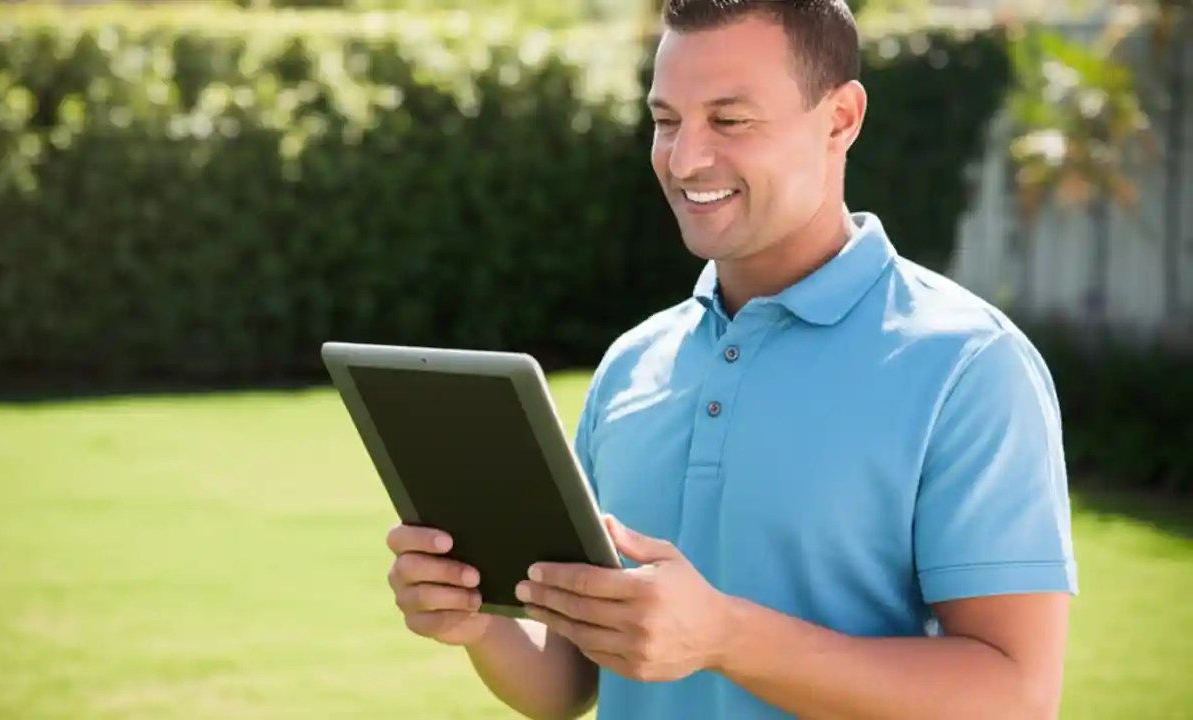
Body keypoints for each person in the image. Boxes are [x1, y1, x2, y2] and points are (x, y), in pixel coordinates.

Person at [384, 0, 1078, 718]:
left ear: (840, 118)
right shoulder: (632, 364)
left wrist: (726, 637)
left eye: (730, 121)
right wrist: (481, 623)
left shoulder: (969, 366)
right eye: (666, 121)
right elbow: (570, 680)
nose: (684, 160)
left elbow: (1016, 698)